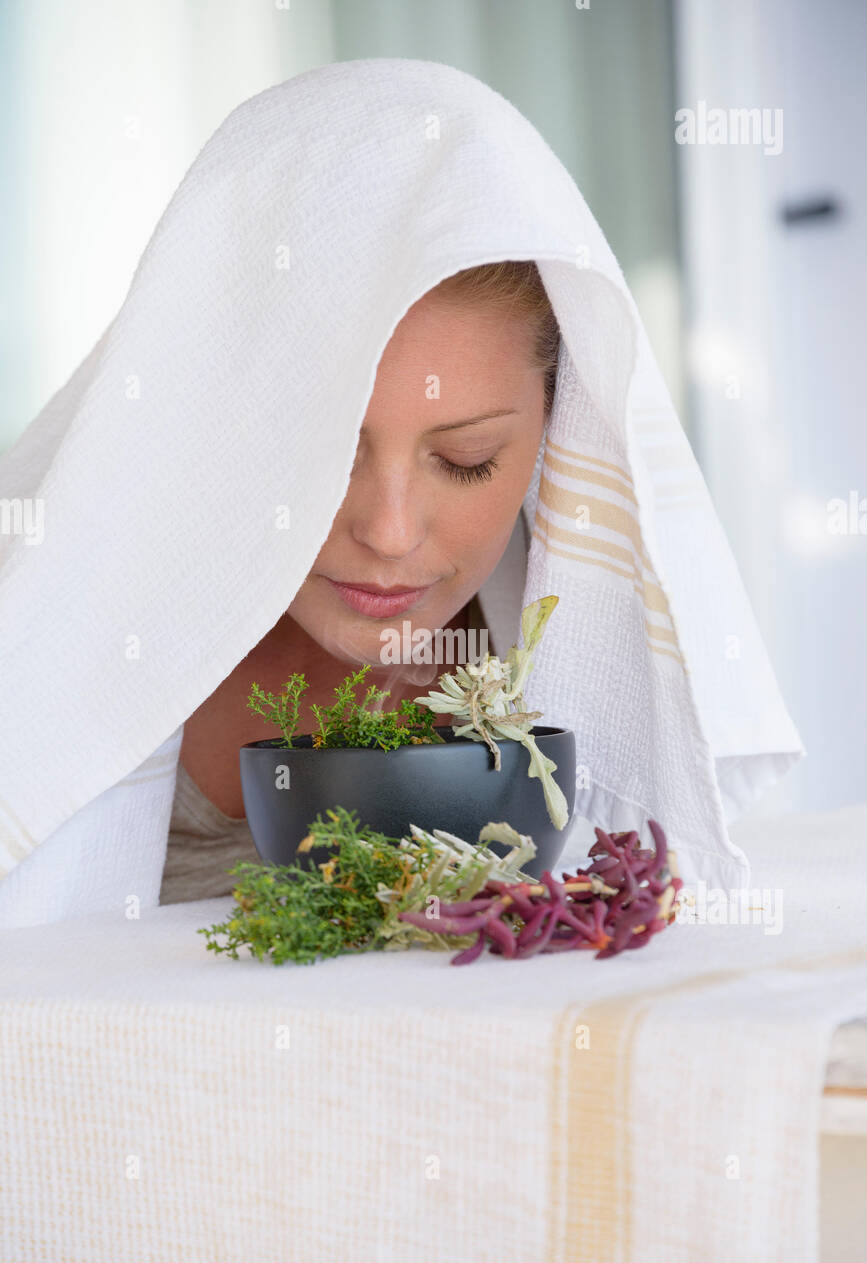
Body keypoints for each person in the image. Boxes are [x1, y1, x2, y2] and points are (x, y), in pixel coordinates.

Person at [0, 58, 803, 929]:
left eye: (465, 459)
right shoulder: (51, 623)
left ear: (555, 431)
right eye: (318, 456)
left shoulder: (586, 651)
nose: (386, 532)